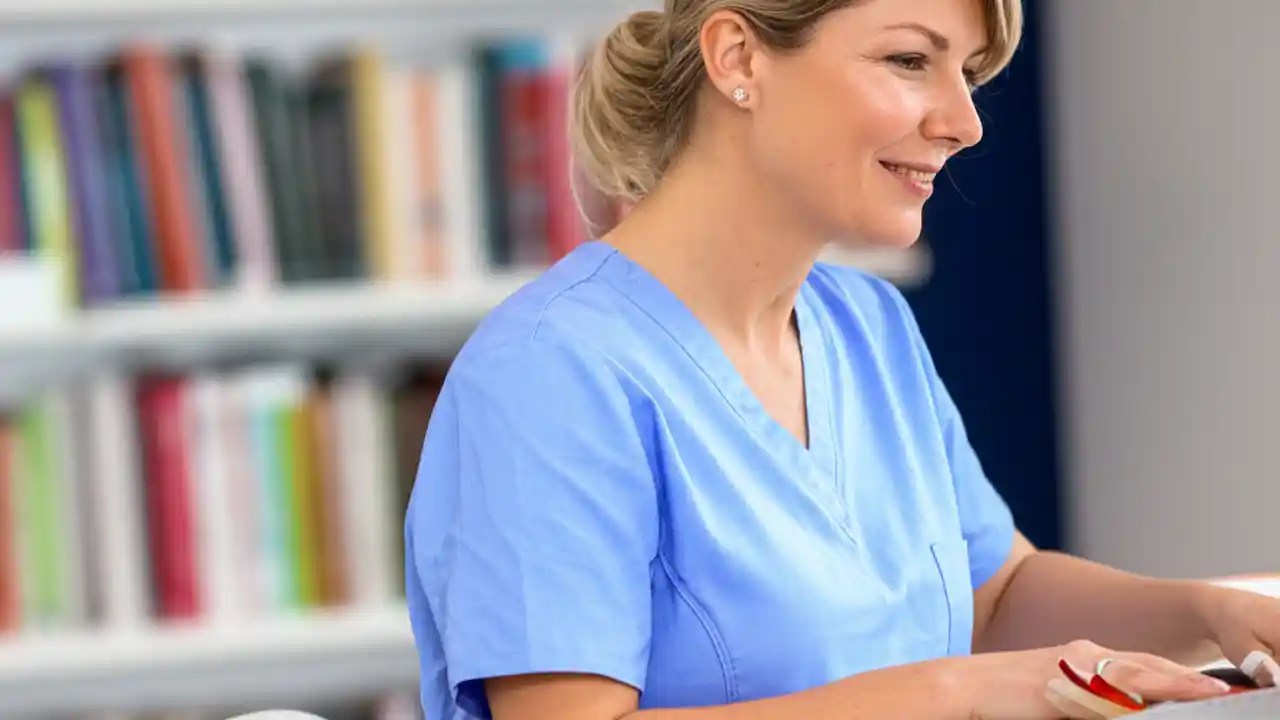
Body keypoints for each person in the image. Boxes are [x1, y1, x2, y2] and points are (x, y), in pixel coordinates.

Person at [403, 0, 1280, 718]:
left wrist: (1213, 610)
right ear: (738, 58)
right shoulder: (547, 375)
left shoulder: (869, 326)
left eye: (967, 74)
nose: (965, 123)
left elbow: (997, 595)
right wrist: (950, 696)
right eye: (909, 61)